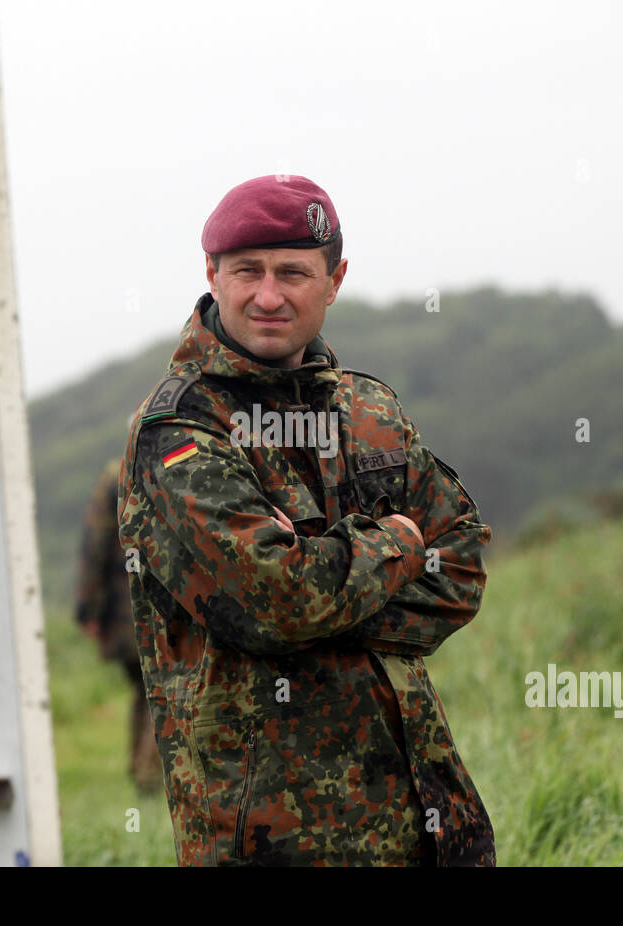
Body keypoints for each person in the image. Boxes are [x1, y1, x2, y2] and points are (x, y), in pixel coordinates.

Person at [117, 174, 495, 865]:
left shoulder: (369, 411)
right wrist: (399, 543)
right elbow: (278, 599)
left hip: (426, 816)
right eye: (246, 272)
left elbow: (464, 567)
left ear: (335, 278)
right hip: (271, 835)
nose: (268, 296)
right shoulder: (180, 429)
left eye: (292, 272)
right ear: (211, 273)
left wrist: (321, 587)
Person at [75, 456, 163, 794]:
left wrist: (87, 609)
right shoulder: (160, 466)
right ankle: (149, 776)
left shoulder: (114, 474)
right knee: (156, 688)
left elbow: (94, 543)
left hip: (121, 607)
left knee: (145, 689)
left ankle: (139, 768)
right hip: (145, 606)